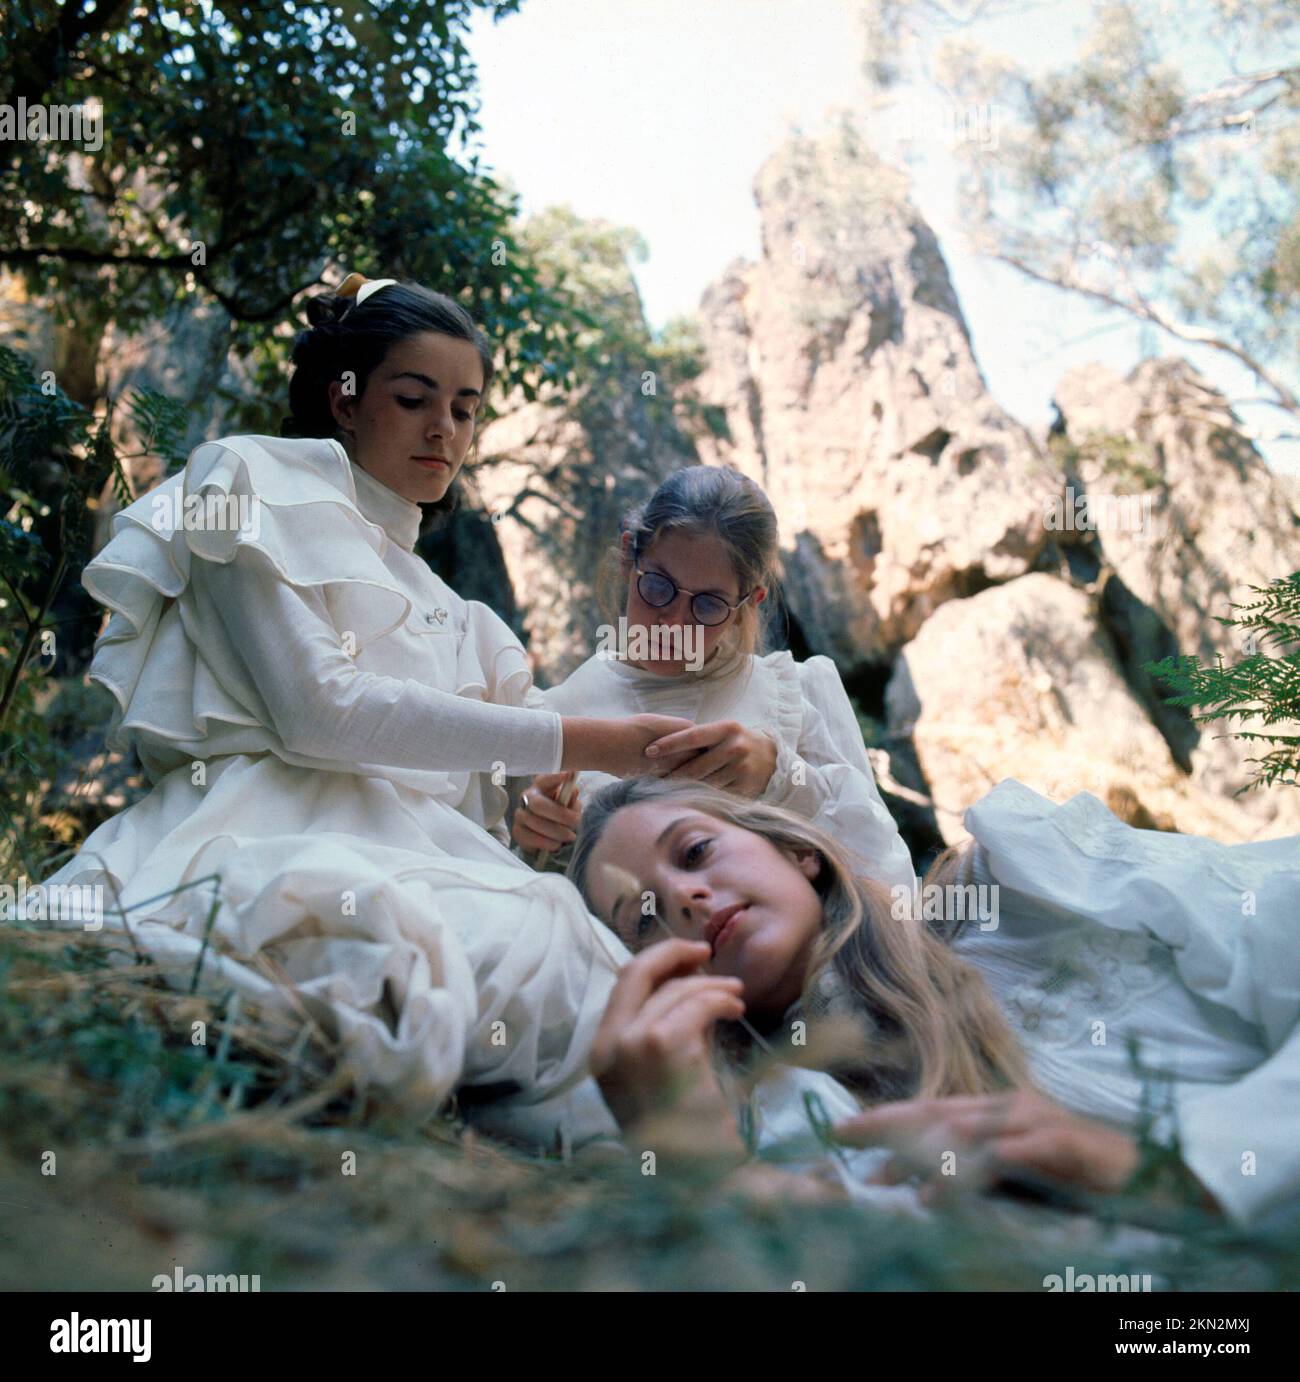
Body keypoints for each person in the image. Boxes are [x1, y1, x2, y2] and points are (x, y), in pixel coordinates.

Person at [40, 271, 692, 1148]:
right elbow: (321, 715)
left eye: (466, 408)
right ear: (344, 401)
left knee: (608, 993)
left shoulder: (458, 614)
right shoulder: (245, 479)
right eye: (414, 397)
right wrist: (596, 739)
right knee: (510, 968)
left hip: (419, 853)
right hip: (262, 826)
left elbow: (488, 804)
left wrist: (542, 816)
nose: (445, 430)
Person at [567, 775, 1300, 1229]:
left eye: (694, 852)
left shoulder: (1020, 883)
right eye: (644, 917)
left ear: (798, 851)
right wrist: (709, 1174)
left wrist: (1187, 1173)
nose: (685, 898)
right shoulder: (778, 1118)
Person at [512, 465, 916, 898]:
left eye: (708, 605)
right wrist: (538, 838)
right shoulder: (558, 716)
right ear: (630, 556)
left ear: (750, 601)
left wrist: (779, 778)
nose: (674, 622)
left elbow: (891, 882)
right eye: (659, 586)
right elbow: (540, 900)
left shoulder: (797, 693)